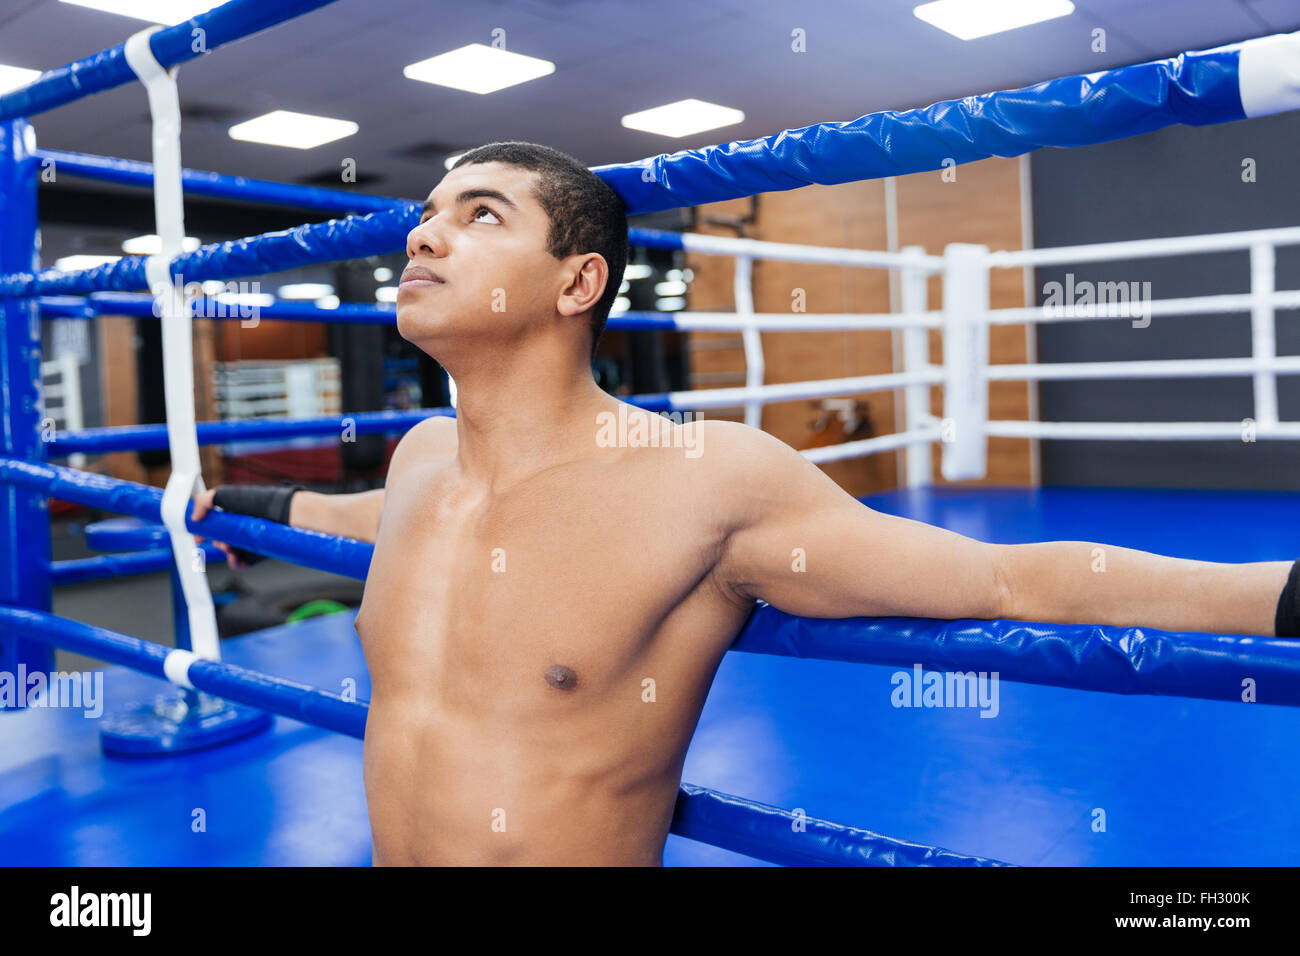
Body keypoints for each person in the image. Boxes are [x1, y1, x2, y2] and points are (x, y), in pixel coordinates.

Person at [191, 141, 1300, 866]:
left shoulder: (700, 479)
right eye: (425, 211)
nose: (421, 234)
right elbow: (357, 524)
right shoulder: (427, 457)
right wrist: (220, 501)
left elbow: (1007, 578)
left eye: (478, 215)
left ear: (578, 283)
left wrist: (1278, 591)